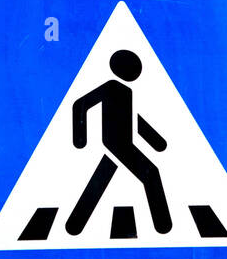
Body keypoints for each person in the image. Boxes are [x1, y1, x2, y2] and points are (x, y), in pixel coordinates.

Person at [66, 49, 173, 235]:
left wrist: (156, 141)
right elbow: (80, 105)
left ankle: (74, 225)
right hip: (115, 143)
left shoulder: (125, 91)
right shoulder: (110, 87)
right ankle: (163, 225)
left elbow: (133, 120)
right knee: (151, 174)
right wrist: (80, 139)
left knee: (101, 177)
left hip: (121, 143)